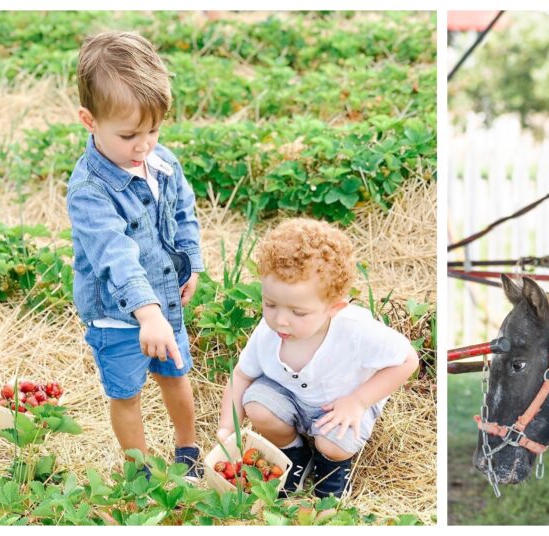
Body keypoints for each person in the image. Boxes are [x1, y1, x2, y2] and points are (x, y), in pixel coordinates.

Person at [65, 31, 205, 477]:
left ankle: (188, 449)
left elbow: (184, 211)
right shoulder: (89, 190)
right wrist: (146, 314)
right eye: (129, 135)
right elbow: (115, 255)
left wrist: (191, 259)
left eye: (153, 130)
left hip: (164, 302)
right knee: (125, 393)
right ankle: (139, 470)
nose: (143, 145)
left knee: (175, 376)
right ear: (89, 120)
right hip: (118, 315)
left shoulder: (161, 161)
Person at [214, 219, 419, 498]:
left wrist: (358, 401)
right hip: (290, 397)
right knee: (257, 406)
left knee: (332, 445)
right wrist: (228, 426)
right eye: (270, 305)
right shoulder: (267, 333)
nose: (281, 321)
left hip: (340, 404)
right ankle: (295, 454)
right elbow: (241, 376)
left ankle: (331, 467)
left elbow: (408, 360)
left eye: (298, 313)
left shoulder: (356, 331)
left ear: (334, 308)